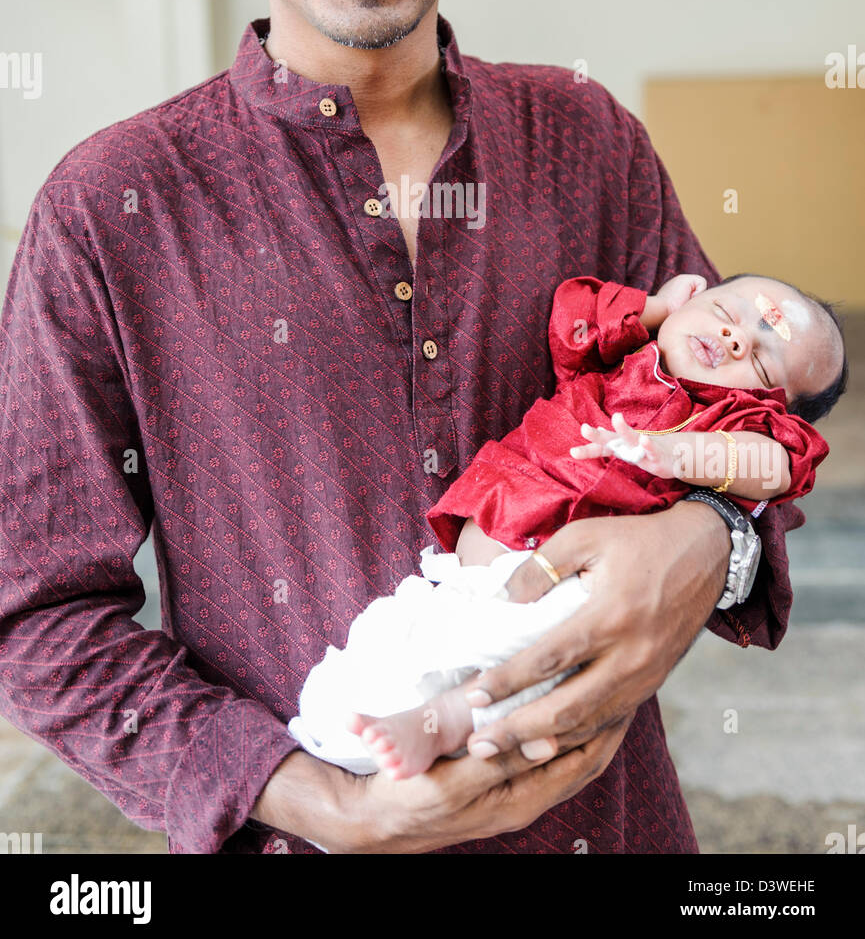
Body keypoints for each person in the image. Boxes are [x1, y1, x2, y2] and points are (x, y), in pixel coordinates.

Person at [0, 0, 815, 856]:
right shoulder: (114, 207)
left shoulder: (586, 142)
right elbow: (39, 620)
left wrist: (713, 546)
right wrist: (312, 796)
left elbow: (753, 425)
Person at [286, 271, 845, 782]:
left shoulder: (732, 423)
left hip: (570, 576)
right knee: (394, 634)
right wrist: (655, 306)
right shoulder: (622, 355)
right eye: (726, 311)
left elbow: (770, 466)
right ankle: (341, 731)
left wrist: (676, 455)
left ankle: (452, 720)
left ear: (776, 409)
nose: (735, 339)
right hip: (477, 556)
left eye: (763, 363)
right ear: (692, 298)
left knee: (543, 648)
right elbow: (573, 313)